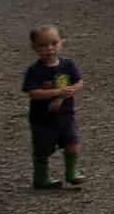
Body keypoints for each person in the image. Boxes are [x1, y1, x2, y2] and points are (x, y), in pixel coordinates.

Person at [21, 25, 84, 190]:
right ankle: (41, 178)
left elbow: (79, 82)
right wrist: (57, 92)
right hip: (42, 119)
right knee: (43, 149)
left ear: (62, 42)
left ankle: (72, 172)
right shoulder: (34, 70)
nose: (49, 48)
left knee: (72, 142)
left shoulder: (68, 64)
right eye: (43, 45)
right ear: (34, 48)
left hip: (65, 115)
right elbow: (32, 93)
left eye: (54, 43)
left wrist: (69, 91)